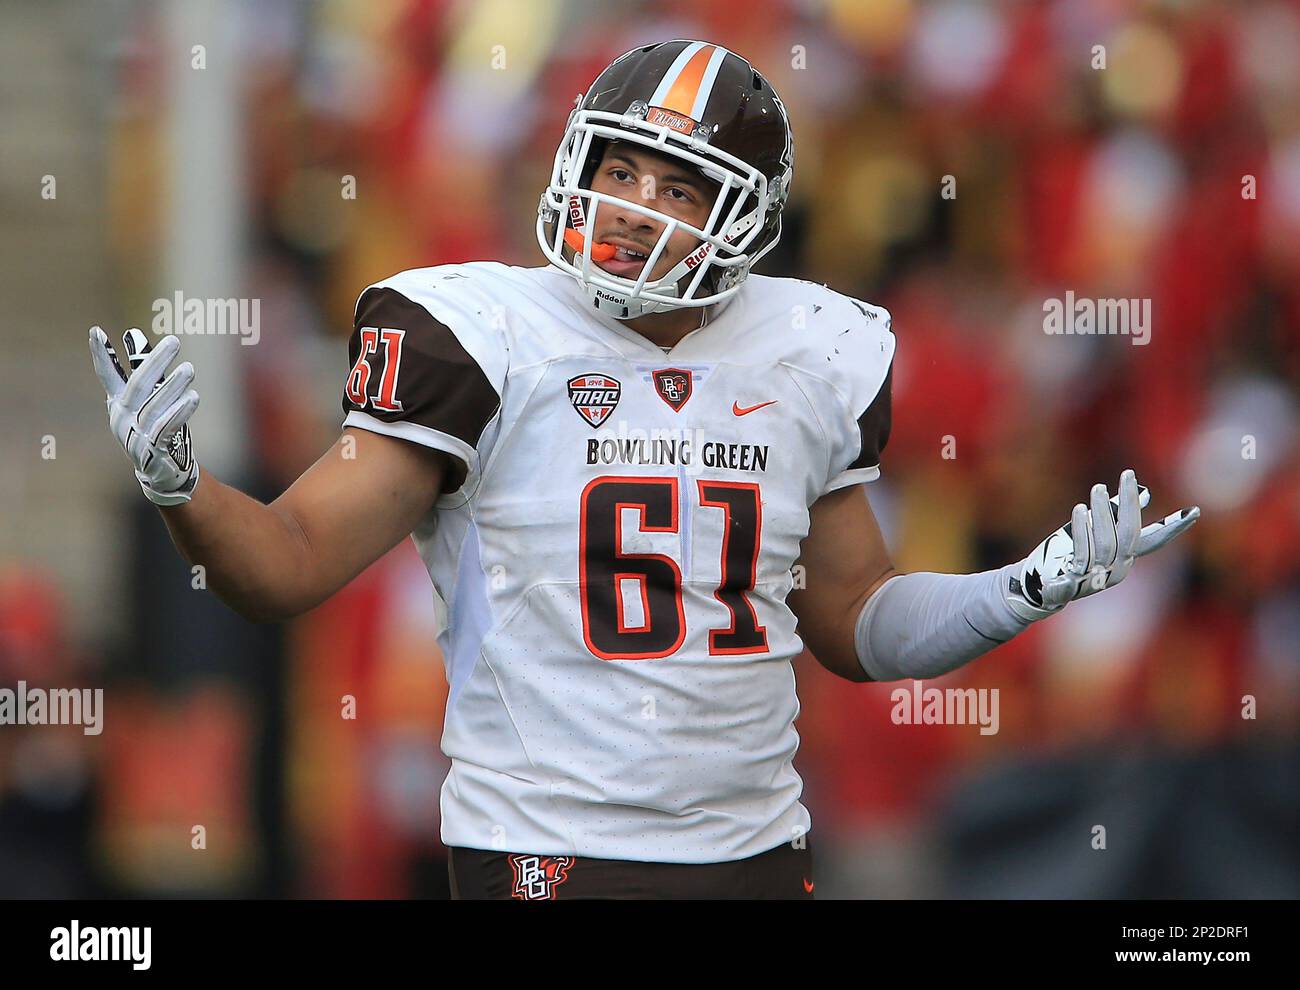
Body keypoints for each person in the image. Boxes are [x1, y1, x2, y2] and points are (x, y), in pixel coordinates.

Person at [87, 40, 1199, 900]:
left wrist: (1023, 589)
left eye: (677, 186)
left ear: (748, 218)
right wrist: (186, 491)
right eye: (618, 168)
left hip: (754, 847)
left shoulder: (817, 347)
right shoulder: (474, 330)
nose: (631, 207)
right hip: (547, 849)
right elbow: (285, 564)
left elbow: (856, 621)